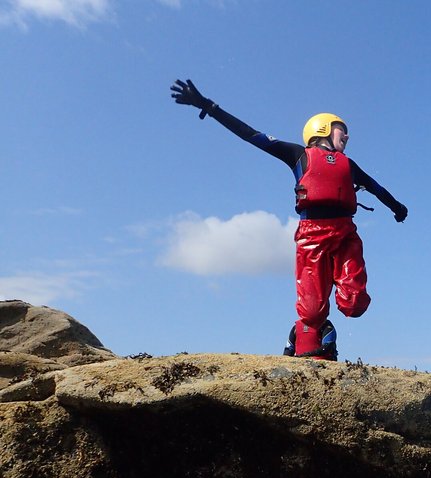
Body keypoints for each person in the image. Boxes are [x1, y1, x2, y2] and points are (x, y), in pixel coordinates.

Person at [170, 79, 408, 359]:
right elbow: (251, 135)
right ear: (323, 129)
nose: (346, 137)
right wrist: (209, 106)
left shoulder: (349, 165)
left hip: (345, 234)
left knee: (354, 304)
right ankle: (304, 338)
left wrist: (396, 207)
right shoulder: (299, 155)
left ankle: (322, 328)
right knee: (311, 312)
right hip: (312, 236)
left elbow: (376, 187)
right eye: (342, 130)